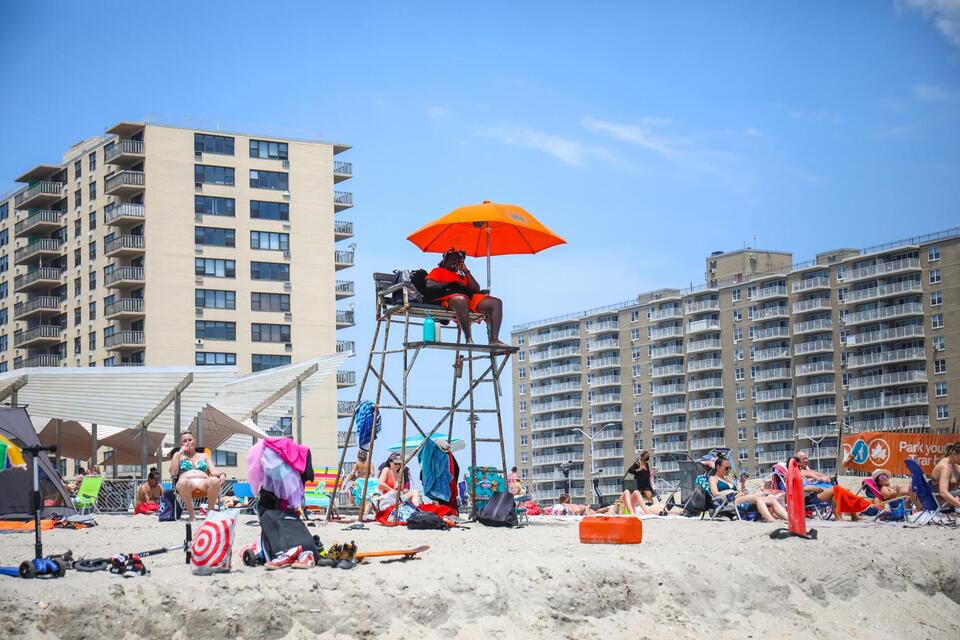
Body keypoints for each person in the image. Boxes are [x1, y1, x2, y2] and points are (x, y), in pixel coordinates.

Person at [425, 248, 505, 345]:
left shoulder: (461, 275)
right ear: (445, 261)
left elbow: (476, 288)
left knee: (496, 303)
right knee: (460, 299)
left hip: (467, 298)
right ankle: (468, 338)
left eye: (458, 260)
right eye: (452, 259)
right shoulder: (438, 271)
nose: (455, 262)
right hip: (449, 298)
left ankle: (494, 340)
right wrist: (452, 283)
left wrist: (466, 271)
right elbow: (429, 284)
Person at [709, 455, 788, 523]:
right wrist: (733, 495)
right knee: (756, 497)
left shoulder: (728, 479)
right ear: (718, 467)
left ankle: (789, 520)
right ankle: (771, 520)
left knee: (771, 499)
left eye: (729, 468)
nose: (728, 470)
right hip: (728, 502)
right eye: (726, 468)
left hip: (738, 498)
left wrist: (743, 484)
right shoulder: (713, 478)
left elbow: (739, 492)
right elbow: (715, 493)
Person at [168, 433, 226, 521]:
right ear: (182, 444)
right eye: (184, 441)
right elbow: (173, 473)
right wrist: (179, 453)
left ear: (194, 441)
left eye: (190, 440)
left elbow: (213, 471)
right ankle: (191, 514)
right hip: (187, 484)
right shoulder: (178, 455)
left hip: (203, 483)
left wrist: (222, 474)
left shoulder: (204, 455)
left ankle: (209, 513)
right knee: (183, 482)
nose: (187, 442)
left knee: (214, 480)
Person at [931, 442, 960, 511]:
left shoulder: (955, 465)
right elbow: (943, 493)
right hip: (944, 502)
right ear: (955, 454)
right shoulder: (945, 468)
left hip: (954, 498)